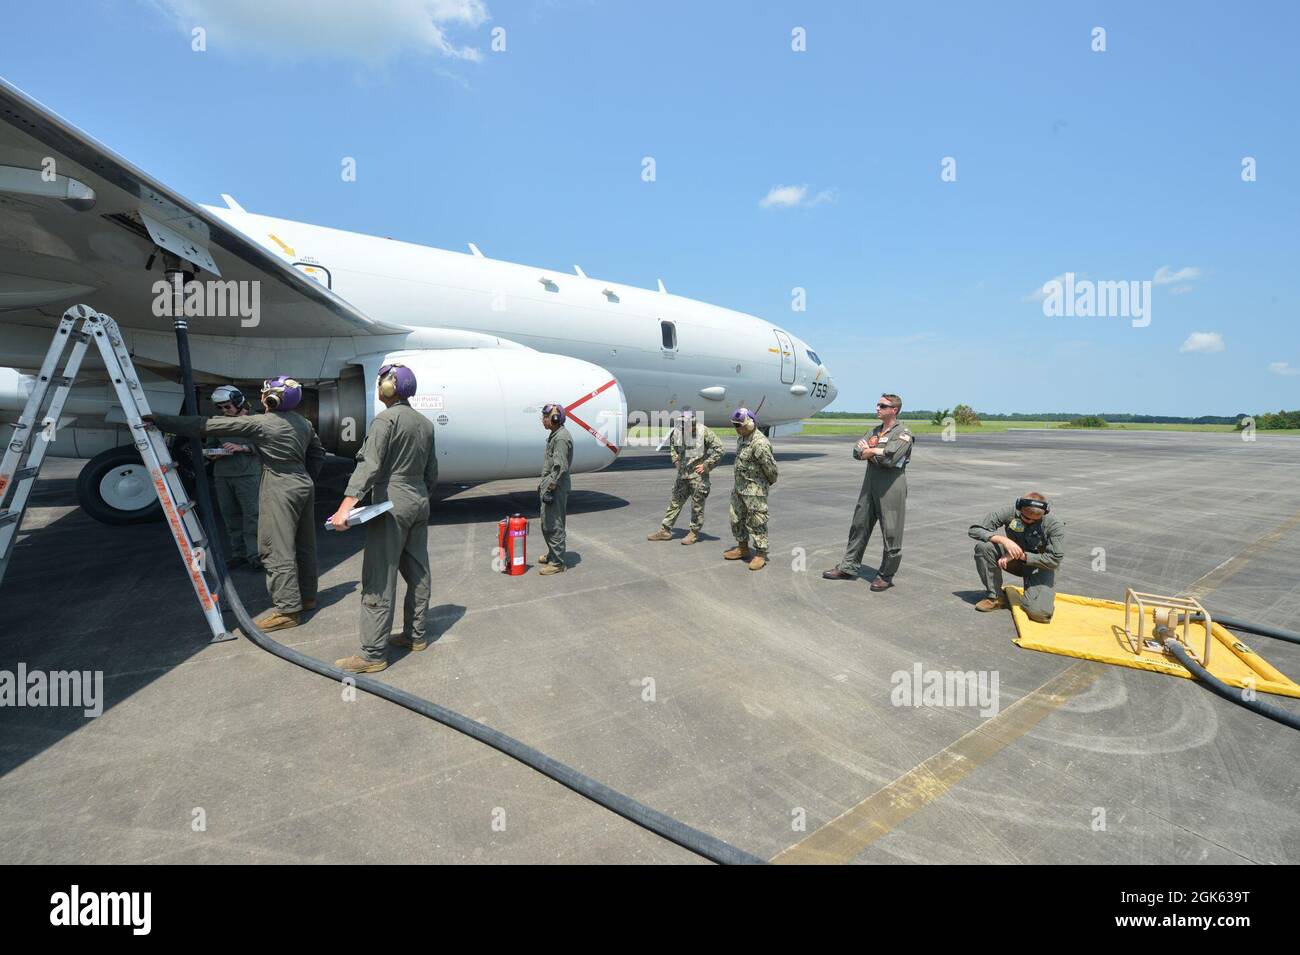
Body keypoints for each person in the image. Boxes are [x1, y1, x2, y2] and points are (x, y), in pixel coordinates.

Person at [147, 376, 325, 632]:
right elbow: (317, 454)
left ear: (270, 398)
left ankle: (287, 609)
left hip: (279, 483)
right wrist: (304, 476)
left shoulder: (261, 424)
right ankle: (307, 597)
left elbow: (205, 425)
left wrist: (160, 420)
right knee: (305, 543)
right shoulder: (303, 423)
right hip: (302, 482)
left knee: (275, 547)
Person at [328, 363, 438, 674]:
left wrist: (345, 507)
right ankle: (416, 635)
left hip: (392, 500)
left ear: (389, 387)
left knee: (379, 574)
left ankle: (373, 653)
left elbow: (369, 467)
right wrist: (417, 497)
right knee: (417, 569)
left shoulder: (384, 421)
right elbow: (432, 473)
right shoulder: (425, 424)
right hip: (418, 499)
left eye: (381, 382)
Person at [823, 393, 913, 592]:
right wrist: (872, 451)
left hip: (891, 486)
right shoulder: (873, 431)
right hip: (870, 483)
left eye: (882, 406)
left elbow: (891, 457)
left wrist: (871, 451)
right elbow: (856, 451)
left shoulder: (903, 433)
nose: (877, 408)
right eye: (878, 404)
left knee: (891, 531)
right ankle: (848, 567)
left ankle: (886, 575)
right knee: (859, 525)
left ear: (894, 410)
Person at [968, 492, 1064, 622]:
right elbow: (975, 529)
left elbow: (1054, 559)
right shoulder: (1010, 512)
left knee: (1039, 614)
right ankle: (995, 597)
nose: (1030, 521)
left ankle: (1034, 594)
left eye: (1036, 519)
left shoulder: (1054, 524)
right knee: (984, 547)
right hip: (1014, 562)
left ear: (1045, 512)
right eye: (1026, 518)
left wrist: (1020, 555)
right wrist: (1003, 540)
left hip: (1040, 566)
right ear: (1020, 508)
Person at [647, 409, 724, 545]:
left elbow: (719, 449)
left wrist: (706, 465)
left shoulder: (704, 431)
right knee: (675, 502)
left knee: (697, 506)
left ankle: (693, 533)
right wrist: (675, 459)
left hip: (698, 477)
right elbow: (673, 446)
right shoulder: (678, 431)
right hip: (682, 475)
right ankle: (665, 530)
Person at [205, 385, 261, 571]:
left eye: (227, 406)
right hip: (223, 475)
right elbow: (209, 446)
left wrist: (243, 448)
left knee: (253, 516)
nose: (224, 411)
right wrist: (213, 453)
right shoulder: (219, 422)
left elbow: (268, 444)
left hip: (248, 475)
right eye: (220, 407)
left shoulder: (256, 420)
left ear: (238, 402)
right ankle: (239, 554)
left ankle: (256, 555)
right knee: (230, 516)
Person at [723, 407, 777, 571]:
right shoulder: (742, 438)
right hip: (739, 487)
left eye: (740, 425)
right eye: (735, 425)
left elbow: (772, 470)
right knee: (736, 518)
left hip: (755, 490)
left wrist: (761, 487)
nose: (737, 428)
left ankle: (760, 553)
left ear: (751, 424)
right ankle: (743, 548)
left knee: (757, 521)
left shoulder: (760, 443)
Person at [538, 402, 573, 576]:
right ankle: (553, 553)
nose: (542, 420)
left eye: (545, 417)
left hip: (555, 487)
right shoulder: (555, 435)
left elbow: (560, 468)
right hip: (552, 485)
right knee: (549, 521)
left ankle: (557, 562)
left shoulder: (560, 438)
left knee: (554, 524)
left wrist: (550, 488)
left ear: (555, 418)